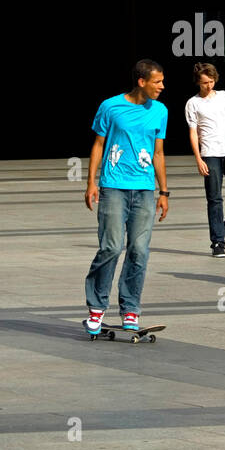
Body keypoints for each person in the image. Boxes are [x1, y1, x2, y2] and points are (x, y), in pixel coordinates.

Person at [83, 60, 170, 336]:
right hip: (113, 187)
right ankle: (96, 308)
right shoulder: (110, 106)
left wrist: (164, 191)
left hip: (144, 190)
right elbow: (98, 146)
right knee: (110, 247)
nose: (162, 87)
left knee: (139, 250)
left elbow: (158, 153)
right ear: (142, 81)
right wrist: (91, 183)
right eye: (158, 81)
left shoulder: (160, 111)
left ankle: (130, 308)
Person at [185, 62, 225, 259]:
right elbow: (193, 133)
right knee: (214, 198)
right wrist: (198, 158)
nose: (209, 85)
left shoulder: (224, 96)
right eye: (205, 83)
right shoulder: (192, 103)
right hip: (210, 153)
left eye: (211, 81)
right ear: (198, 82)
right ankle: (218, 242)